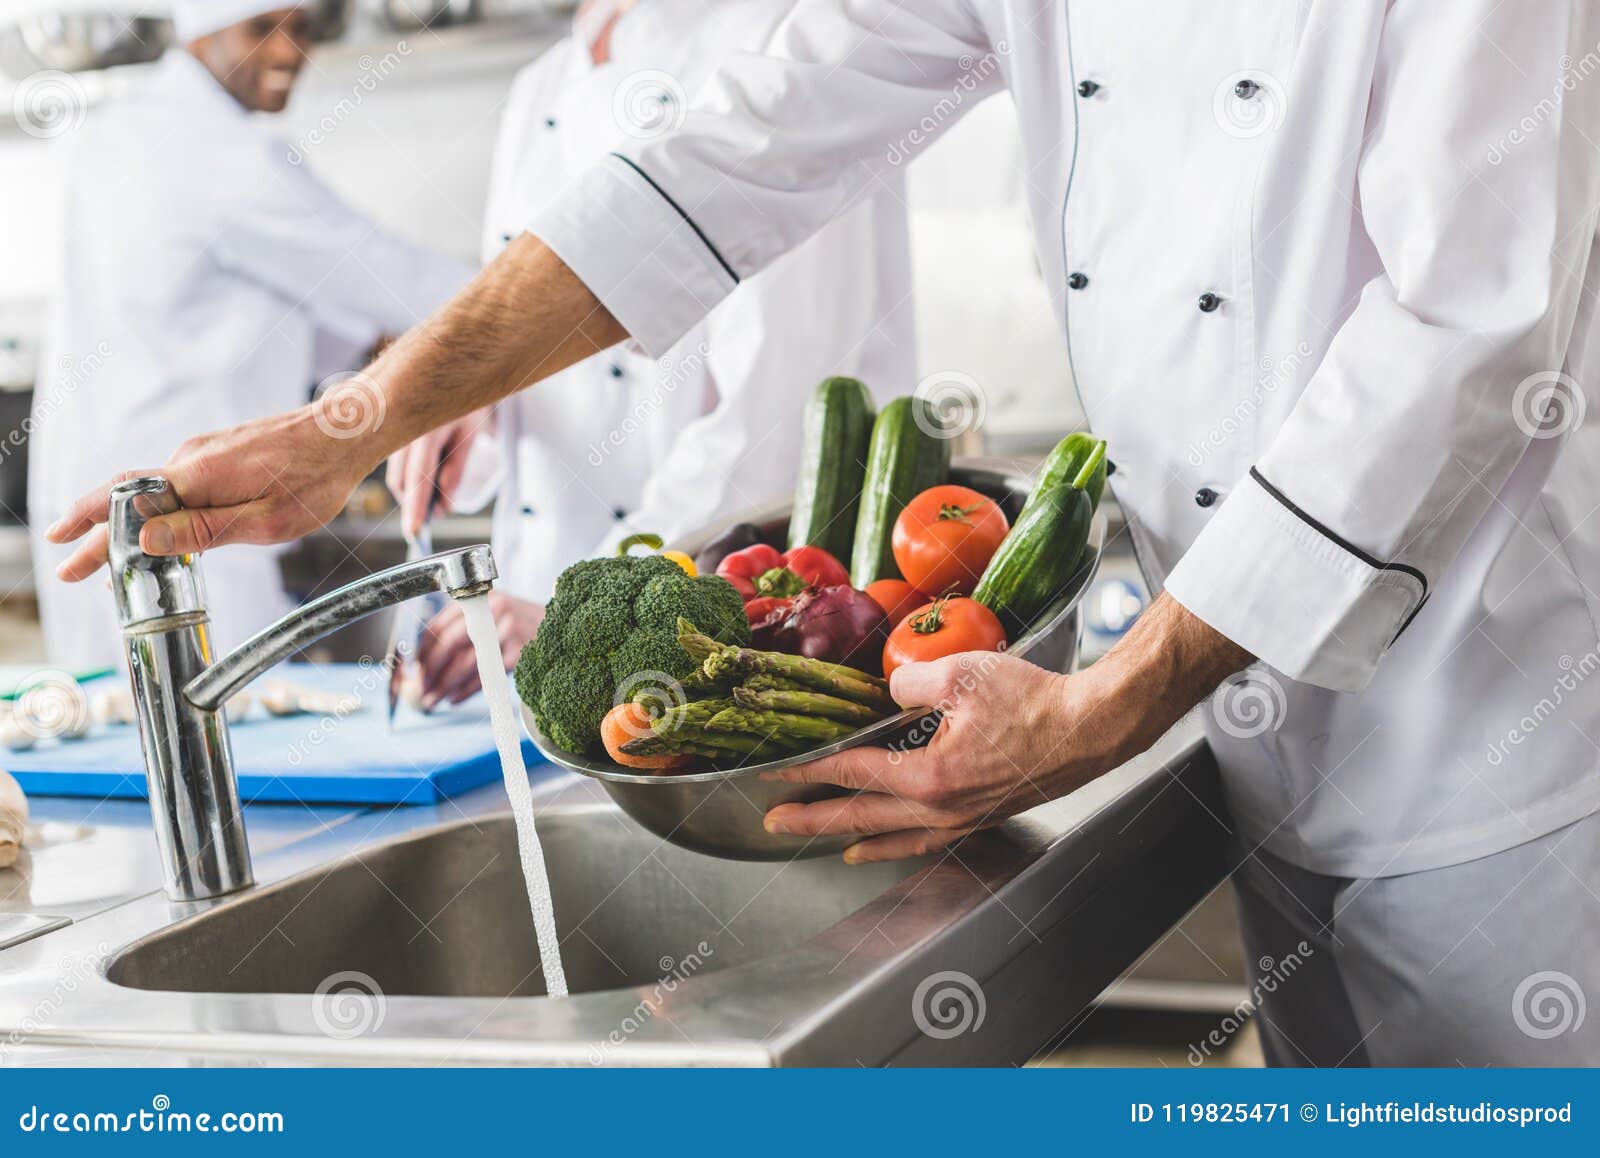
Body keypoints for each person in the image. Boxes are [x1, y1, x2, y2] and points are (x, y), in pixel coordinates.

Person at [49, 0, 1600, 1067]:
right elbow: (731, 153)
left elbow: (1470, 333)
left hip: (1495, 750)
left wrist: (1115, 695)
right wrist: (362, 421)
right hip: (1264, 726)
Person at [385, 0, 914, 709]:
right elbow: (536, 340)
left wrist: (580, 611)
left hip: (724, 646)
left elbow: (779, 421)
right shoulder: (540, 86)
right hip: (528, 643)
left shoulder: (780, 37)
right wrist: (473, 404)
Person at [28, 0, 473, 666]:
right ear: (200, 32)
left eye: (303, 28)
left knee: (132, 738)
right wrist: (557, 280)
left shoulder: (119, 131)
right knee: (230, 729)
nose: (289, 52)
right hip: (186, 507)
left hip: (100, 494)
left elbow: (260, 300)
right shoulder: (221, 152)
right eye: (260, 27)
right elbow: (409, 286)